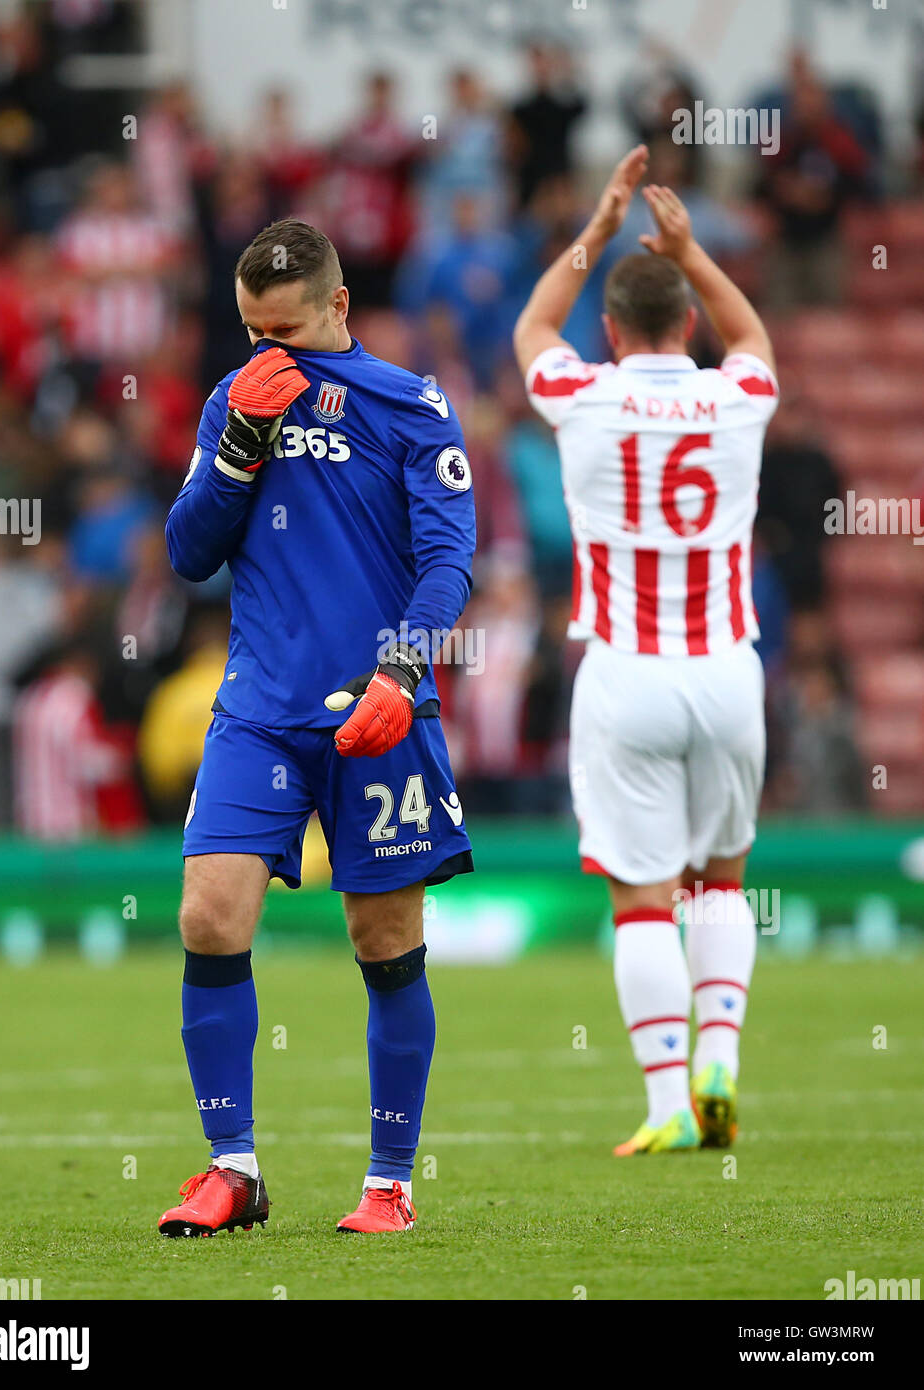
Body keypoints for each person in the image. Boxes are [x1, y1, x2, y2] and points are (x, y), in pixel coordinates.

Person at [159, 219, 475, 1237]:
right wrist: (235, 454)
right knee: (209, 915)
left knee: (383, 939)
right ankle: (232, 1167)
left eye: (284, 332)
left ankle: (388, 1182)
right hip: (258, 703)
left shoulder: (411, 407)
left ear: (338, 307)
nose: (266, 354)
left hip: (379, 709)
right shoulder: (232, 399)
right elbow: (188, 552)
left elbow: (445, 564)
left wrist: (404, 665)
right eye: (251, 331)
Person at [513, 148, 779, 1155]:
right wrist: (688, 247)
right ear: (689, 324)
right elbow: (749, 332)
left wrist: (598, 222)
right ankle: (721, 1054)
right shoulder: (733, 395)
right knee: (719, 881)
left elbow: (532, 325)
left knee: (639, 898)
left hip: (625, 672)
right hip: (725, 667)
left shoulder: (583, 394)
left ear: (612, 331)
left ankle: (668, 1096)